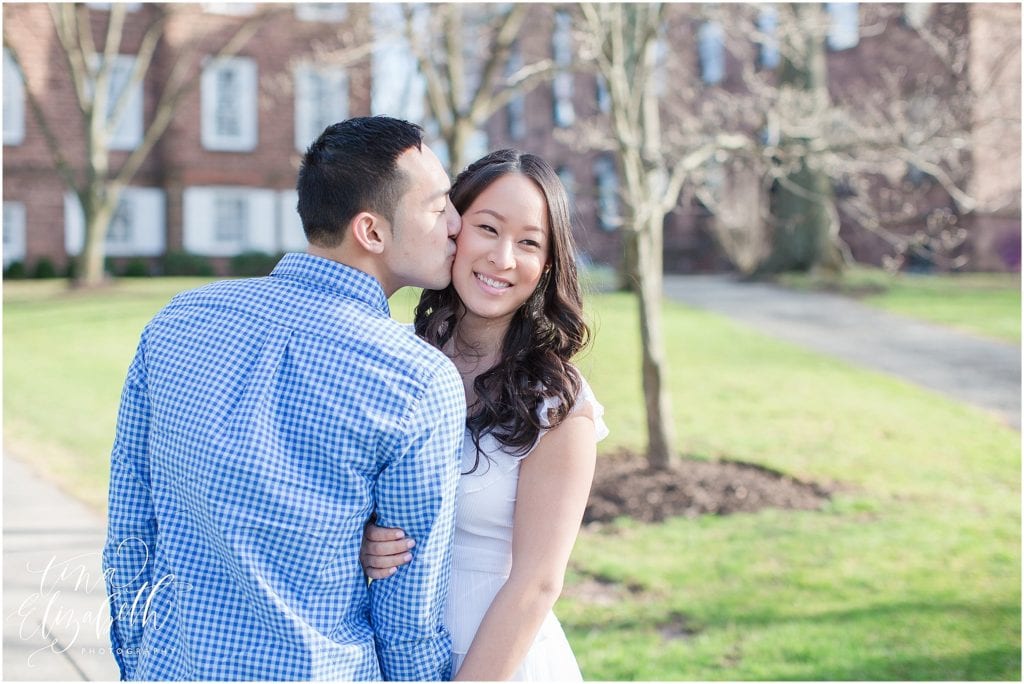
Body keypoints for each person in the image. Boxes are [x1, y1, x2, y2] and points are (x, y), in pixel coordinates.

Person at [101, 117, 467, 681]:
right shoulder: (417, 379)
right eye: (439, 207)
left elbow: (130, 527)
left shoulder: (175, 322)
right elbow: (408, 612)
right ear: (371, 231)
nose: (456, 225)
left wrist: (139, 659)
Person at [361, 149, 609, 680]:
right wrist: (357, 542)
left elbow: (538, 583)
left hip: (498, 664)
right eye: (487, 228)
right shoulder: (388, 360)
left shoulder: (558, 402)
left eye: (528, 243)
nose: (502, 258)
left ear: (547, 264)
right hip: (380, 656)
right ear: (452, 227)